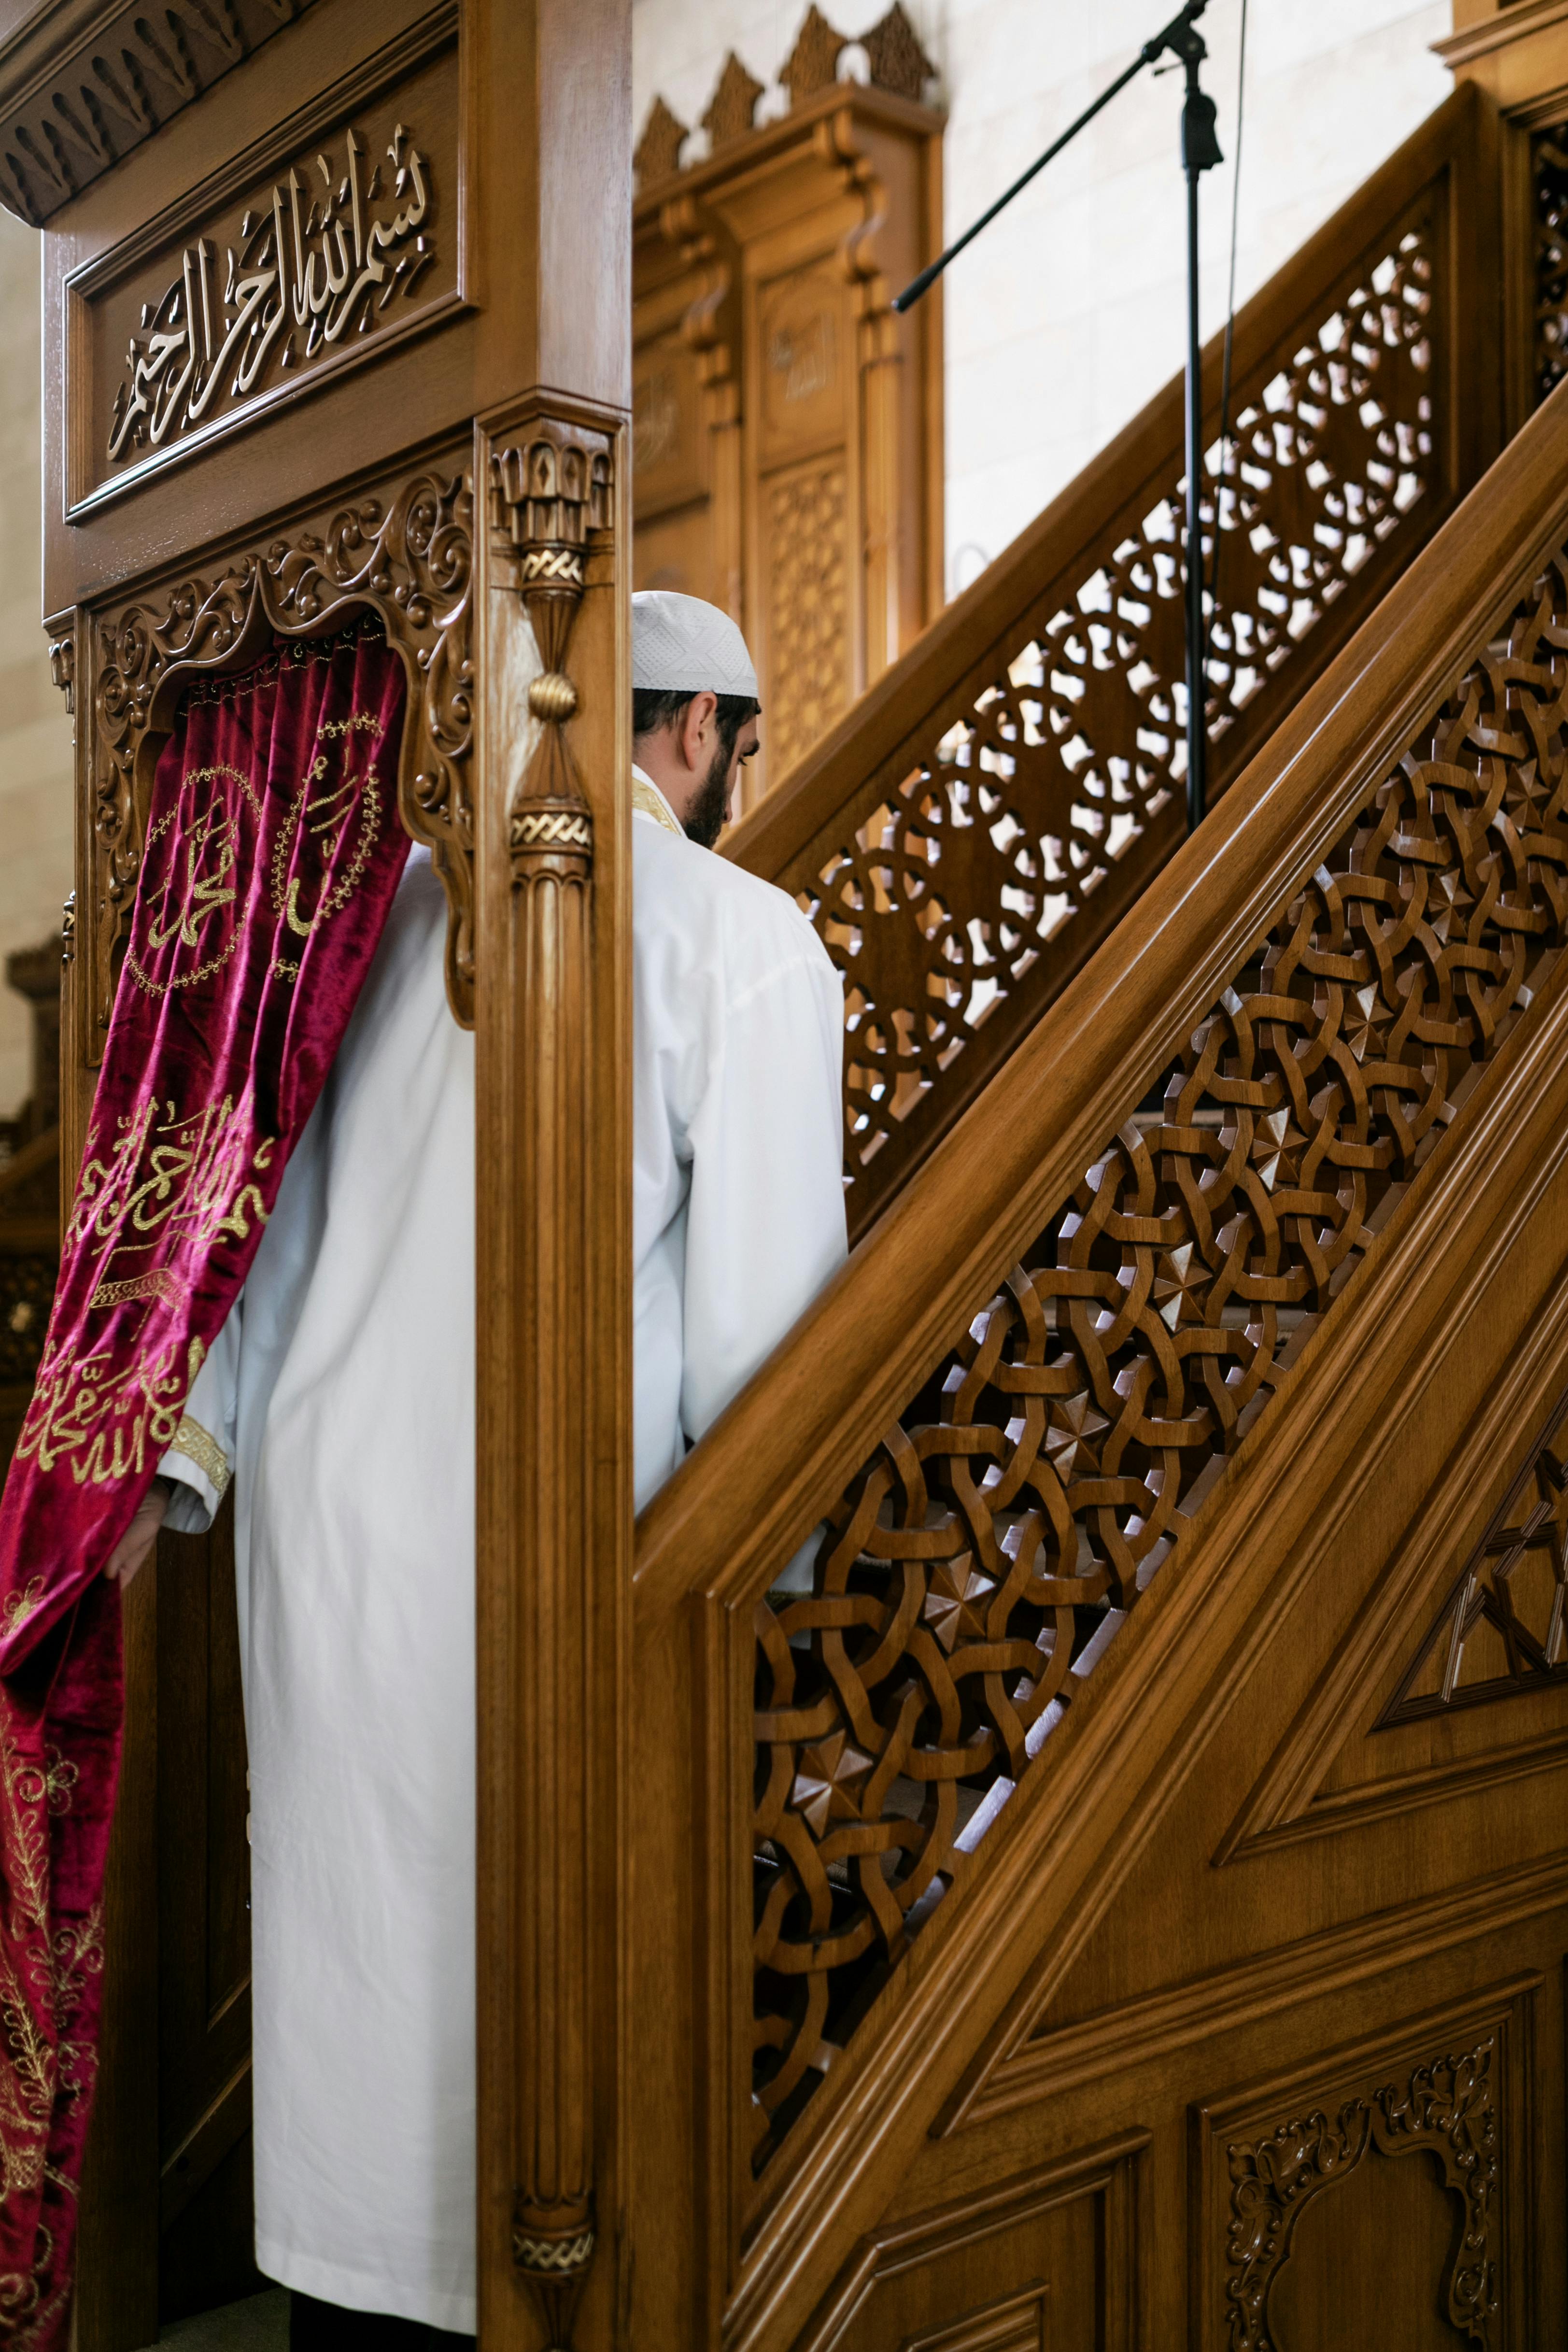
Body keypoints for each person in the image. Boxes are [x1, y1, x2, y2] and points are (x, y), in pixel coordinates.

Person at [102, 591, 847, 2346]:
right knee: (526, 2109)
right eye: (740, 748)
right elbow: (766, 1361)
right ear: (697, 736)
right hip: (549, 1566)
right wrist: (797, 1618)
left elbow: (251, 1243)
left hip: (333, 1543)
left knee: (361, 2032)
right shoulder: (735, 936)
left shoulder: (392, 913)